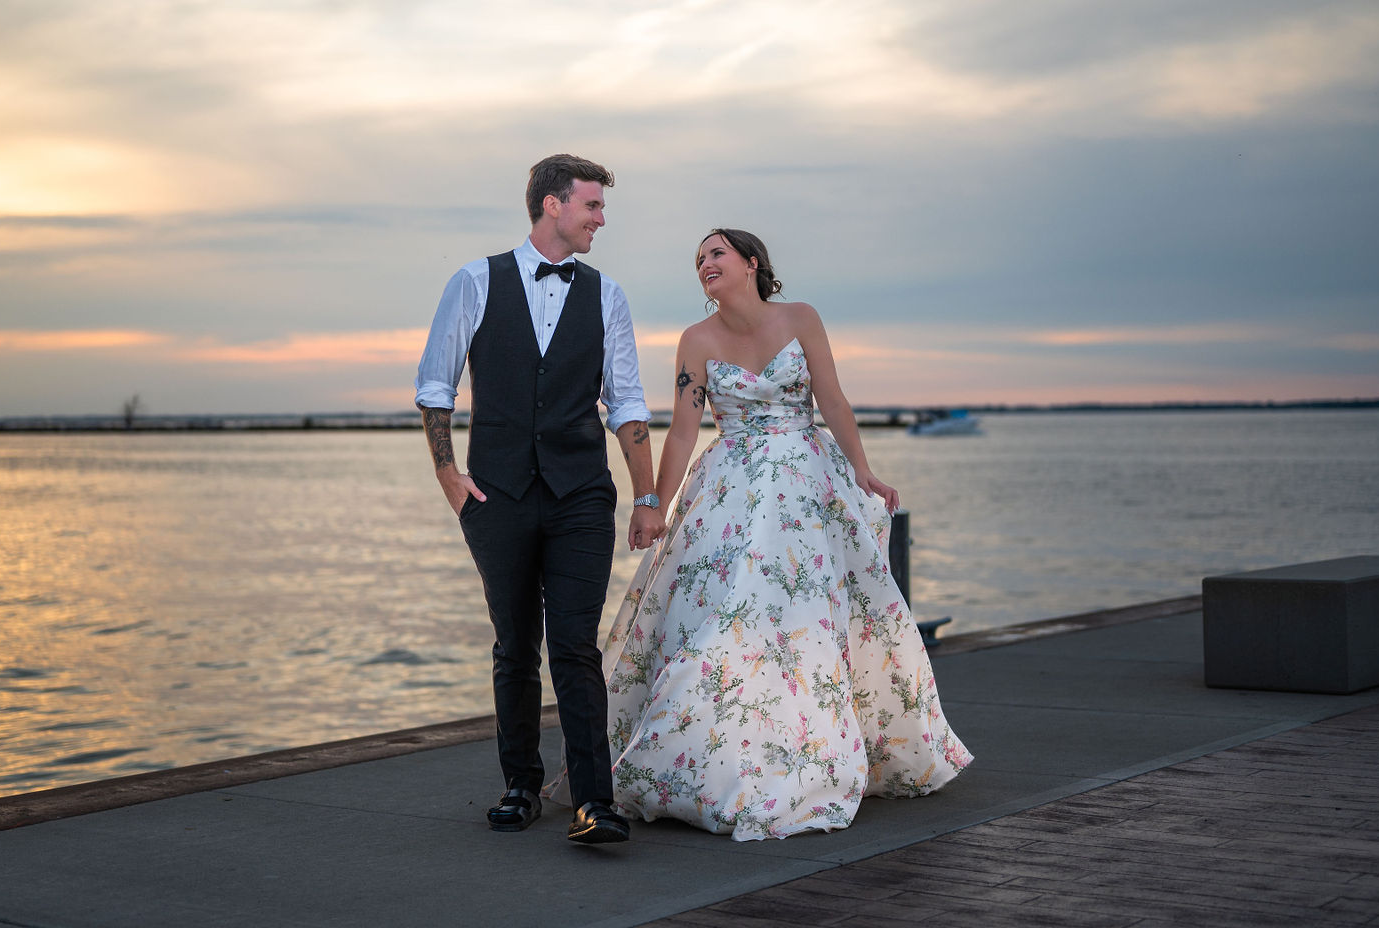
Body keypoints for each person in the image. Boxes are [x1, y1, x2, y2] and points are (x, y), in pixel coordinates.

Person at [596, 228, 972, 841]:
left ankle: (815, 759)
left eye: (716, 253)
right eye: (698, 260)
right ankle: (714, 762)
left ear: (751, 263)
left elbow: (833, 400)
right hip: (730, 491)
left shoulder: (801, 319)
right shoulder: (696, 341)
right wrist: (654, 506)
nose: (705, 265)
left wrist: (863, 471)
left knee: (811, 623)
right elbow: (685, 434)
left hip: (806, 486)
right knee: (720, 620)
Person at [415, 153, 664, 844]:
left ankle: (594, 801)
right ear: (552, 205)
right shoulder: (473, 281)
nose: (600, 219)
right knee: (515, 643)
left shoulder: (607, 295)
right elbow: (436, 386)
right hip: (497, 492)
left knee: (575, 646)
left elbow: (628, 402)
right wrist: (449, 479)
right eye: (592, 205)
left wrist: (646, 495)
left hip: (582, 492)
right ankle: (521, 784)